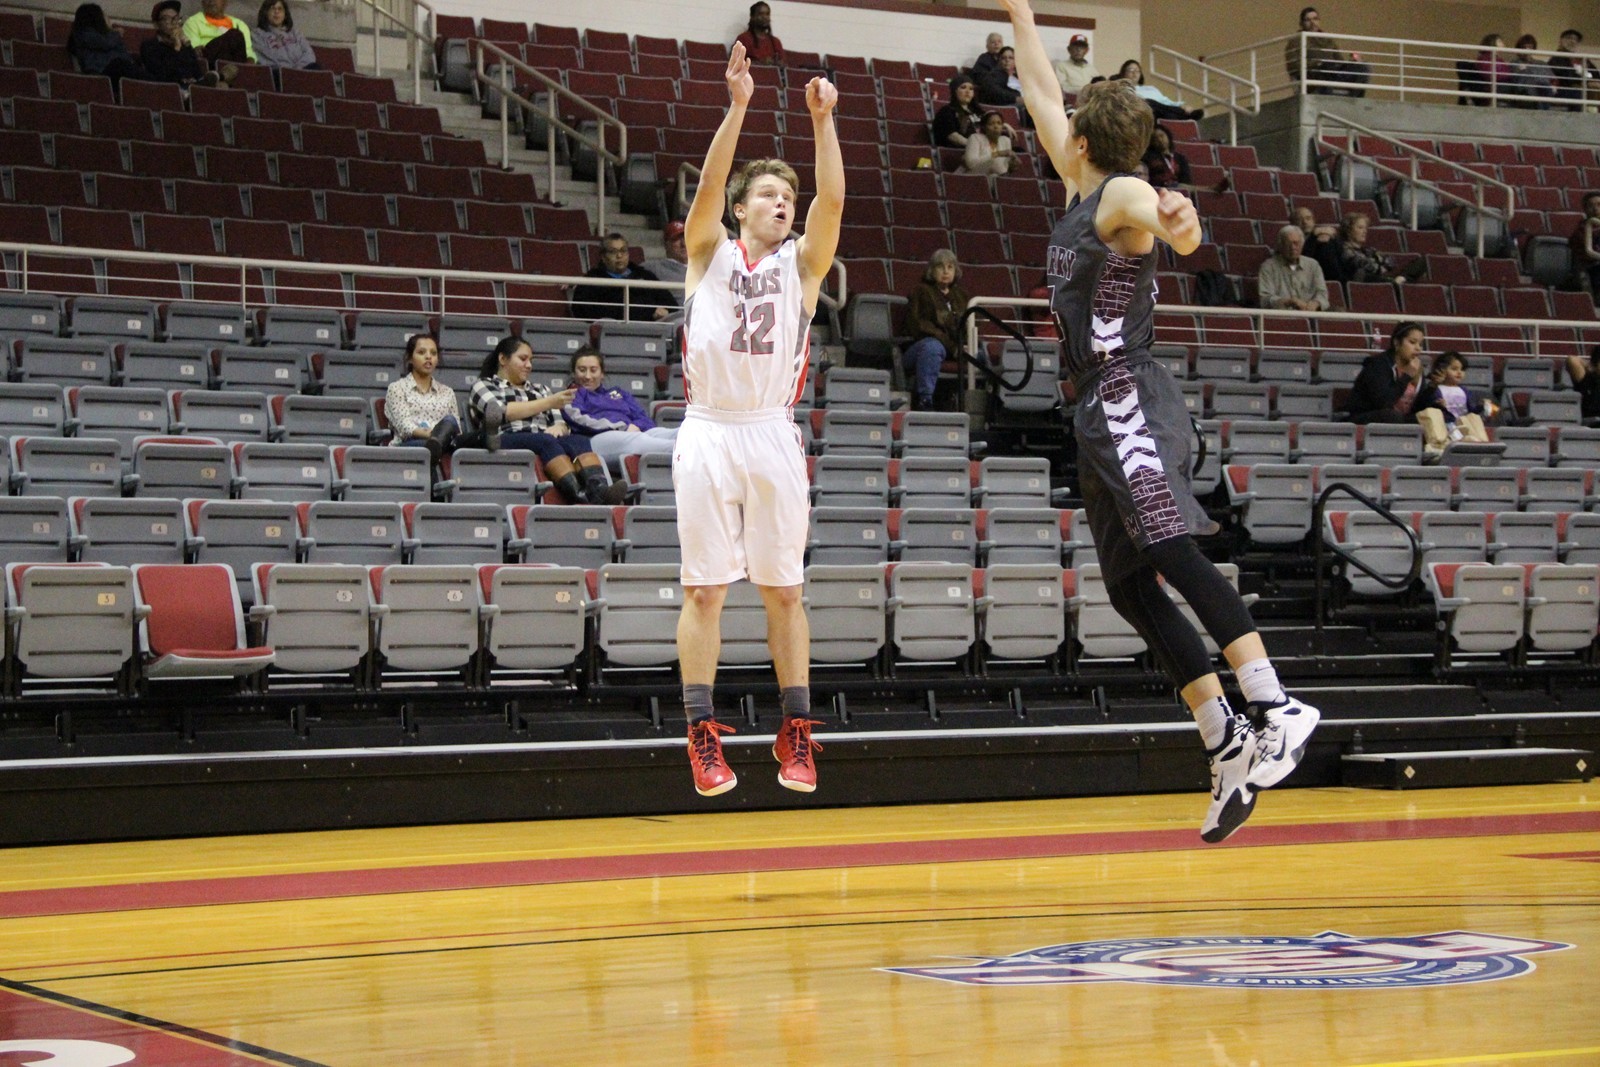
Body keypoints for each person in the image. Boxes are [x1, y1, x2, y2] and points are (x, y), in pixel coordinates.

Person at [1002, 0, 1320, 845]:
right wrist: (1019, 12)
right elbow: (1036, 82)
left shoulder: (1118, 195)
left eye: (1065, 121)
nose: (1054, 122)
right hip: (1093, 405)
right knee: (1127, 582)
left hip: (1129, 394)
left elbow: (1164, 213)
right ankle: (1224, 735)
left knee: (1171, 543)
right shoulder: (1079, 189)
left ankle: (1274, 701)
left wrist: (1180, 221)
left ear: (1083, 138)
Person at [673, 42, 843, 798]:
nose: (783, 202)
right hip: (708, 428)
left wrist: (822, 123)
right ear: (743, 208)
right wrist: (737, 108)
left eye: (787, 195)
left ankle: (797, 730)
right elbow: (710, 183)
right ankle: (702, 733)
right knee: (705, 591)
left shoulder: (801, 267)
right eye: (768, 194)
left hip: (771, 429)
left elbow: (832, 203)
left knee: (783, 592)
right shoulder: (707, 249)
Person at [468, 336, 629, 505]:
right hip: (506, 436)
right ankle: (580, 495)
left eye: (530, 360)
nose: (529, 365)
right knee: (545, 441)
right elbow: (502, 412)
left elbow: (560, 422)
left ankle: (600, 490)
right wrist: (549, 402)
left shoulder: (541, 389)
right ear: (502, 359)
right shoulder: (484, 385)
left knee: (577, 440)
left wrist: (560, 427)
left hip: (543, 437)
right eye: (523, 359)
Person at [562, 348, 678, 471]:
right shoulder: (571, 395)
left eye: (593, 370)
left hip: (632, 432)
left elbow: (644, 418)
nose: (587, 376)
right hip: (595, 439)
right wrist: (623, 427)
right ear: (574, 373)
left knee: (671, 433)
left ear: (602, 374)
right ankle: (686, 451)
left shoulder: (618, 393)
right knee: (639, 440)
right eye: (582, 370)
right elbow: (580, 420)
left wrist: (635, 425)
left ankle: (691, 444)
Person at [902, 249, 970, 412]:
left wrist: (967, 344)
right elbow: (920, 326)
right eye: (941, 267)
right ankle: (925, 400)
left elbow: (970, 324)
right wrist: (953, 347)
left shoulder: (962, 295)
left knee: (982, 355)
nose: (946, 271)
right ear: (932, 270)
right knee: (933, 347)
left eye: (950, 267)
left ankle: (983, 406)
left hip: (954, 348)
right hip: (920, 347)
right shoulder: (921, 292)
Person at [384, 334, 461, 465]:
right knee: (429, 449)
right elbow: (405, 428)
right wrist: (434, 435)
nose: (428, 357)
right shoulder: (397, 388)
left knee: (451, 422)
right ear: (409, 358)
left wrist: (441, 437)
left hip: (444, 444)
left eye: (433, 353)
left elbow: (455, 427)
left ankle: (484, 436)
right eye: (421, 352)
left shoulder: (447, 392)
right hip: (409, 445)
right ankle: (435, 445)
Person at [569, 234, 675, 322]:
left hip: (649, 330)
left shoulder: (644, 276)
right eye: (613, 252)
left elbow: (672, 305)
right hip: (612, 332)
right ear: (603, 257)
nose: (619, 256)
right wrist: (645, 312)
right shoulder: (592, 280)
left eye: (623, 250)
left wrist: (667, 312)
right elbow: (582, 310)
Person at [1412, 351, 1495, 453]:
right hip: (1445, 425)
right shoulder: (1436, 389)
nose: (1459, 372)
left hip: (1463, 424)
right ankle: (1440, 445)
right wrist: (1440, 406)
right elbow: (1426, 405)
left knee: (1473, 418)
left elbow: (1470, 411)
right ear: (1441, 370)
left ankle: (1479, 444)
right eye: (1454, 369)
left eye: (1462, 369)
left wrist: (1481, 406)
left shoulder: (1464, 391)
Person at [1347, 321, 1425, 425]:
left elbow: (1420, 406)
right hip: (1365, 417)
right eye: (1412, 342)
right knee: (1391, 416)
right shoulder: (1378, 365)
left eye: (1420, 344)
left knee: (1431, 416)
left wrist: (1433, 387)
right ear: (1396, 342)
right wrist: (1406, 376)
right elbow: (1383, 402)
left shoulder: (1417, 368)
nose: (1418, 348)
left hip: (1401, 418)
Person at [1285, 6, 1369, 96]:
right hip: (1313, 76)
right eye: (1308, 20)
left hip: (1332, 73)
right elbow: (1292, 65)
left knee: (1362, 68)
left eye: (1315, 19)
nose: (1313, 22)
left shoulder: (1328, 40)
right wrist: (1317, 63)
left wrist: (1352, 62)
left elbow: (1339, 61)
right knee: (1326, 66)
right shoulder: (1296, 40)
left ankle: (1354, 100)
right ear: (1301, 23)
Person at [142, 0, 217, 88]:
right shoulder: (149, 46)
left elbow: (197, 74)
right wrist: (176, 48)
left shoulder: (185, 46)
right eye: (167, 19)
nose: (173, 23)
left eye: (176, 18)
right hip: (169, 90)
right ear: (156, 24)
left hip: (191, 88)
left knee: (221, 85)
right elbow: (162, 76)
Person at [1337, 213, 1426, 286]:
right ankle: (1400, 280)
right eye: (1360, 228)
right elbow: (1372, 268)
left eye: (1365, 228)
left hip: (1383, 279)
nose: (1365, 231)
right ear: (1348, 230)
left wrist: (1379, 265)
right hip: (1369, 283)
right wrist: (1380, 265)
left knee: (1422, 262)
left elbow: (1391, 262)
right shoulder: (1345, 251)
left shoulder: (1369, 250)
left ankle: (1400, 279)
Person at [67, 3, 143, 87]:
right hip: (100, 74)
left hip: (116, 72)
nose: (109, 19)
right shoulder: (84, 34)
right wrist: (115, 33)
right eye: (105, 16)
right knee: (119, 64)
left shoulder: (109, 36)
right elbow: (106, 43)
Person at [1257, 224, 1329, 311]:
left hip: (1310, 314)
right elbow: (1265, 299)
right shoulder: (1268, 267)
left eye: (1296, 243)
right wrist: (1288, 302)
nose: (1293, 247)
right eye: (1288, 244)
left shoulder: (1313, 265)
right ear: (1281, 245)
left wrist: (1316, 303)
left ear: (1302, 244)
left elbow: (1322, 293)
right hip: (1281, 317)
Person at [1116, 59, 1202, 122]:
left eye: (1137, 71)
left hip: (1161, 110)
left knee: (1167, 113)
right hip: (1144, 112)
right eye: (1131, 70)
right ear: (1123, 73)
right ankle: (1184, 116)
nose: (1135, 73)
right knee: (1149, 102)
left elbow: (1166, 101)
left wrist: (1182, 106)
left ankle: (1183, 114)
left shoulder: (1151, 89)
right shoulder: (1122, 89)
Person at [183, 0, 254, 69]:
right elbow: (196, 50)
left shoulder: (239, 24)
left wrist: (249, 66)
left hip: (235, 61)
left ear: (225, 2)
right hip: (209, 61)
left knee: (236, 36)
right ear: (202, 2)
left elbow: (248, 52)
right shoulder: (193, 22)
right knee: (234, 35)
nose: (211, 1)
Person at [255, 0, 318, 70]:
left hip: (301, 71)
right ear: (265, 12)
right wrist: (286, 71)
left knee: (316, 67)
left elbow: (309, 53)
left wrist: (296, 70)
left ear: (285, 15)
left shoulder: (296, 33)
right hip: (277, 72)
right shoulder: (257, 34)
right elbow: (265, 58)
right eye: (272, 8)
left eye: (280, 9)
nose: (276, 12)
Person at [641, 220, 689, 307]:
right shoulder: (653, 268)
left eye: (686, 237)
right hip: (676, 317)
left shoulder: (705, 268)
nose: (684, 244)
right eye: (676, 239)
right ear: (666, 244)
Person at [1548, 29, 1598, 111]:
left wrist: (1592, 81)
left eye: (1575, 39)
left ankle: (1592, 111)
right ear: (1561, 41)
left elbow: (1595, 74)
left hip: (1584, 89)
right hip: (1564, 90)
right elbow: (1564, 76)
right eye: (1569, 38)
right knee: (1577, 91)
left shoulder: (1582, 59)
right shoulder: (1557, 58)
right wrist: (1585, 82)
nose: (1572, 41)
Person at [932, 74, 987, 149]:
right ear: (955, 91)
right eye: (963, 87)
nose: (968, 91)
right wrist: (975, 146)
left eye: (971, 89)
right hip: (959, 151)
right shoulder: (946, 111)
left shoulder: (978, 112)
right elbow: (952, 136)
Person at [1291, 204, 1343, 282]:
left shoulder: (1322, 237)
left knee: (1327, 245)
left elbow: (1341, 255)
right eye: (1299, 219)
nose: (1305, 222)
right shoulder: (1289, 240)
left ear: (1313, 221)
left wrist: (1331, 237)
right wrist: (1313, 237)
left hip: (1327, 276)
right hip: (1302, 278)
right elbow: (1301, 260)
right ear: (1293, 223)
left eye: (1308, 218)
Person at [960, 111, 1014, 176]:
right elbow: (971, 164)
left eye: (999, 123)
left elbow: (1005, 167)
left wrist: (1012, 165)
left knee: (995, 175)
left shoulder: (1006, 140)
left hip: (996, 177)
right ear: (984, 127)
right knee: (994, 167)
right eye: (991, 124)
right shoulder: (975, 138)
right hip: (973, 176)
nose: (996, 126)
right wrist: (997, 154)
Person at [1508, 34, 1556, 107]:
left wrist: (1553, 85)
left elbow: (1552, 79)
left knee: (1545, 87)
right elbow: (1516, 80)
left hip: (1543, 89)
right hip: (1524, 91)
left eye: (1530, 47)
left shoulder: (1541, 63)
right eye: (1524, 47)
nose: (1527, 50)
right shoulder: (1514, 63)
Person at [1571, 191, 1600, 302]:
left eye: (1599, 205)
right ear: (1585, 210)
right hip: (1593, 268)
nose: (1595, 209)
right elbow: (1585, 257)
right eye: (1591, 206)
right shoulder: (1580, 232)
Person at [733, 1, 783, 67]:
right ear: (752, 17)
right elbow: (735, 64)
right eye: (761, 14)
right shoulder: (743, 39)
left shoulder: (776, 42)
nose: (765, 17)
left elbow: (783, 65)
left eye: (767, 14)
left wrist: (776, 63)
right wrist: (760, 63)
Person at [1141, 124, 1191, 188]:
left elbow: (1186, 181)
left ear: (1167, 136)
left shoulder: (1181, 158)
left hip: (1179, 191)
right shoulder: (1148, 159)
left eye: (1161, 136)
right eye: (1155, 138)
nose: (1159, 139)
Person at [1053, 34, 1099, 98]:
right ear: (1069, 49)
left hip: (1091, 101)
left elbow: (1099, 85)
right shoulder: (1062, 66)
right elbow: (1062, 87)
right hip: (1072, 102)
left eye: (1082, 47)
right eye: (1075, 47)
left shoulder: (1091, 68)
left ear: (1086, 50)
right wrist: (1085, 90)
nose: (1078, 50)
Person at [1565, 344, 1600, 421]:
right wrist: (1589, 366)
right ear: (1596, 363)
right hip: (1592, 422)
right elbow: (1572, 360)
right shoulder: (1586, 379)